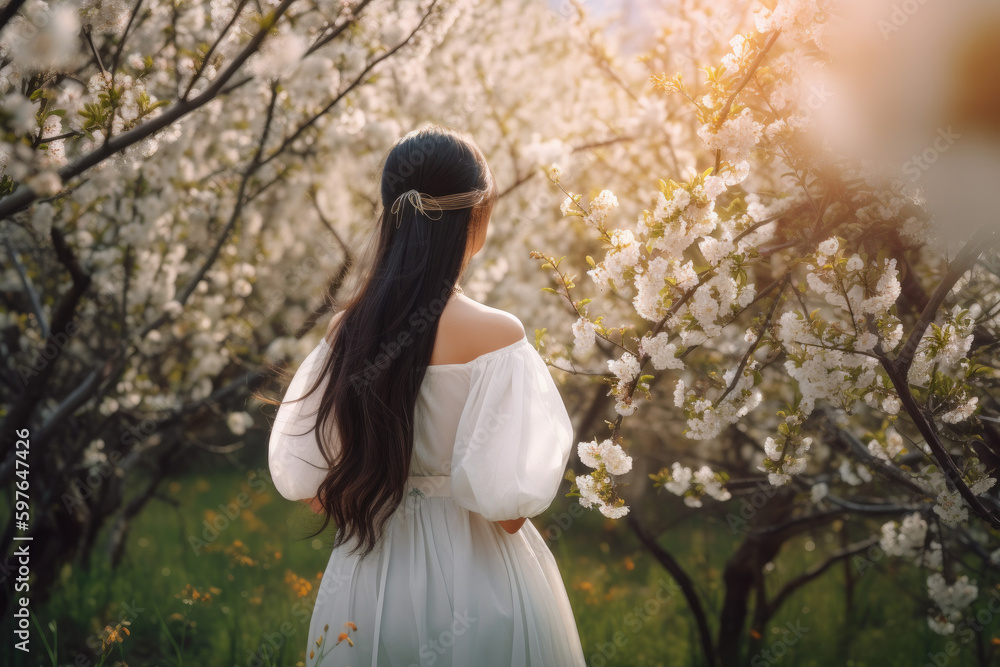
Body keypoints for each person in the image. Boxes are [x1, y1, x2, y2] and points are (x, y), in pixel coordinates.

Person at [267, 125, 586, 666]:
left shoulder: (347, 332)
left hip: (370, 578)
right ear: (477, 216)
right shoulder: (499, 337)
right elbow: (508, 514)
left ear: (392, 215)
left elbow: (312, 485)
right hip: (478, 580)